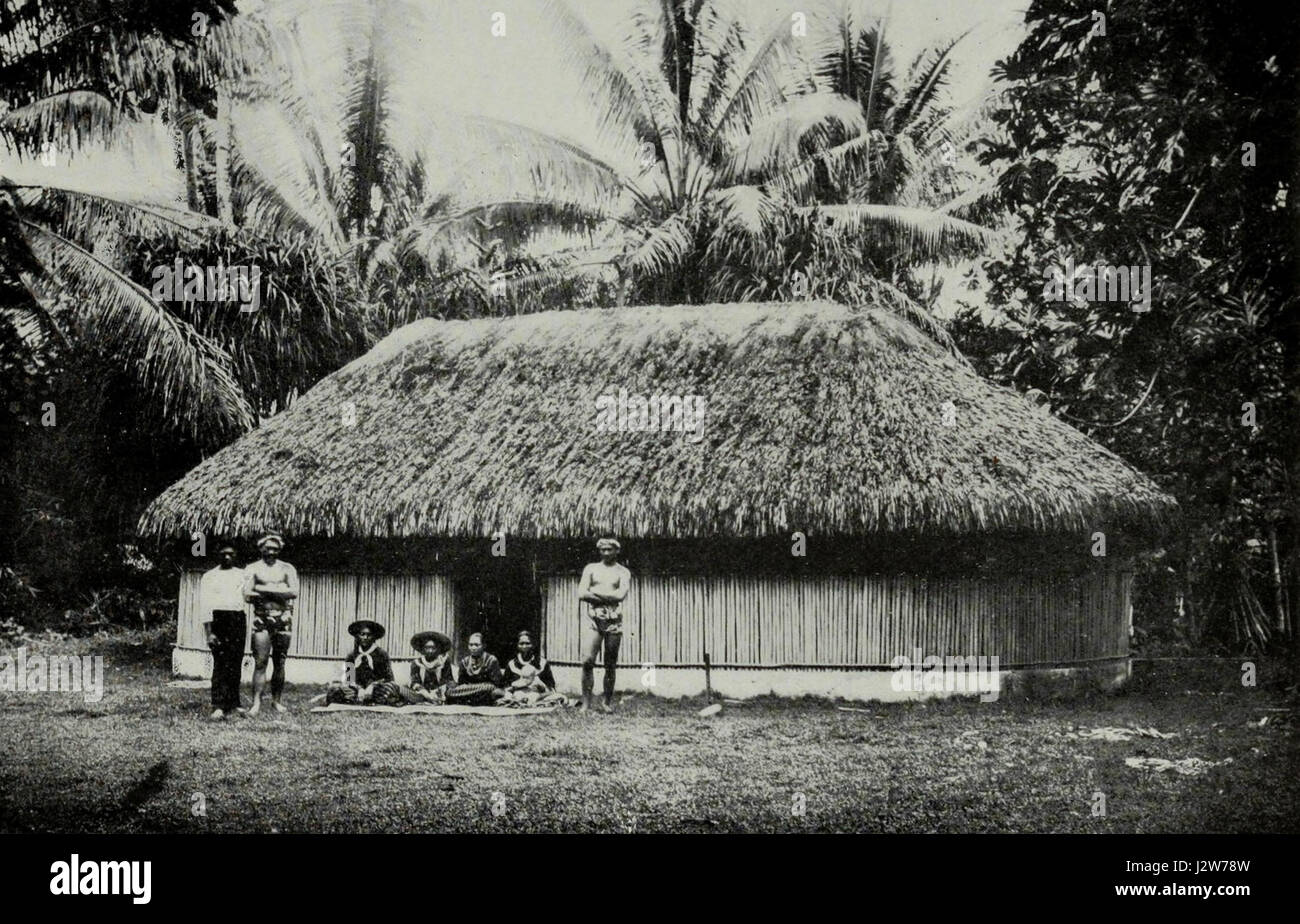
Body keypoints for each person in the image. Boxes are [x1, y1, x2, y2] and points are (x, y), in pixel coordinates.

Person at [243, 533, 299, 714]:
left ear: (279, 550)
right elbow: (247, 595)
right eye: (267, 548)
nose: (271, 552)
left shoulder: (287, 568)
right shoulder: (252, 568)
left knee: (280, 661)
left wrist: (261, 588)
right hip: (262, 618)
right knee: (260, 662)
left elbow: (294, 592)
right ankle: (256, 703)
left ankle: (276, 701)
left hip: (283, 618)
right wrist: (279, 590)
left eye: (275, 549)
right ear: (261, 549)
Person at [577, 537, 630, 712]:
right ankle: (586, 703)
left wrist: (594, 592)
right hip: (594, 617)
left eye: (610, 549)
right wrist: (608, 595)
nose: (606, 553)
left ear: (617, 551)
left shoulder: (623, 572)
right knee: (587, 661)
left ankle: (606, 702)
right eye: (603, 550)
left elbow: (620, 595)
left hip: (614, 620)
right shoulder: (591, 568)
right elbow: (582, 593)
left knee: (610, 663)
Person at [199, 544, 247, 719]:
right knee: (220, 662)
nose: (227, 557)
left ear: (236, 555)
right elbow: (205, 606)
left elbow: (248, 597)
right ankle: (218, 705)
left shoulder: (242, 575)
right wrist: (209, 632)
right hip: (218, 619)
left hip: (238, 619)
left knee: (235, 661)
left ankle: (234, 703)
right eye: (223, 554)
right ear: (217, 555)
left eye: (231, 554)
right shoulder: (209, 577)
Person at [325, 620, 402, 705]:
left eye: (369, 635)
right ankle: (359, 700)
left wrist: (372, 687)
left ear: (374, 637)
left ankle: (367, 700)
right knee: (334, 689)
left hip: (377, 689)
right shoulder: (351, 655)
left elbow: (388, 678)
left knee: (390, 690)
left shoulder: (382, 654)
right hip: (356, 690)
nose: (365, 637)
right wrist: (359, 689)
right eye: (362, 634)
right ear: (358, 636)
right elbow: (349, 678)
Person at [444, 633, 505, 705]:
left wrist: (480, 687)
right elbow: (462, 683)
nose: (473, 647)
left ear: (483, 646)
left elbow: (497, 683)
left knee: (490, 689)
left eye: (476, 645)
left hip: (486, 689)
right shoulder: (464, 662)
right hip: (468, 690)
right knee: (449, 692)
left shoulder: (491, 660)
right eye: (471, 645)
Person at [501, 630, 557, 705]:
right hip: (517, 695)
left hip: (538, 696)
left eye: (528, 643)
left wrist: (541, 687)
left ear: (533, 645)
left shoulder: (542, 663)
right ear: (517, 645)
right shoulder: (512, 665)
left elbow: (551, 687)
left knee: (556, 696)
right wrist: (515, 687)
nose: (524, 646)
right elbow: (505, 686)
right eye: (521, 644)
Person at [400, 631, 456, 704]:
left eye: (433, 648)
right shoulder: (416, 663)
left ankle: (437, 699)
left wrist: (439, 691)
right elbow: (414, 681)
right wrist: (426, 694)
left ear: (438, 649)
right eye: (427, 648)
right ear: (422, 649)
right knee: (401, 689)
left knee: (453, 689)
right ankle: (428, 700)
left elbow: (449, 679)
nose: (430, 651)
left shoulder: (444, 662)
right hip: (422, 693)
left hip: (440, 692)